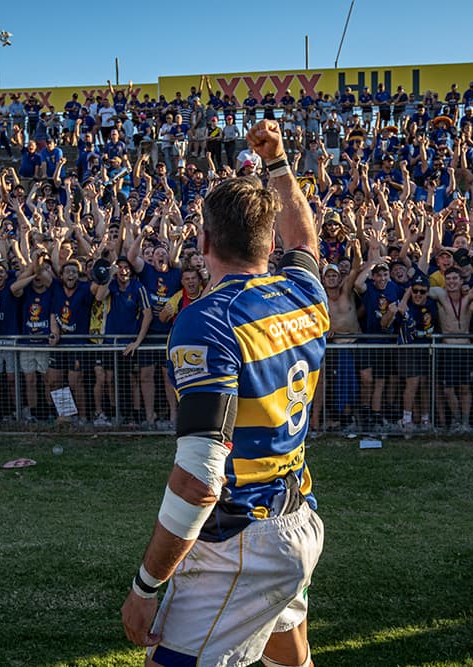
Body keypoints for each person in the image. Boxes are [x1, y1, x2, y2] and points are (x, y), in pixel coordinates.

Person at [121, 119, 326, 667]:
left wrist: (144, 587)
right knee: (289, 653)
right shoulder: (305, 291)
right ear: (269, 242)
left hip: (242, 537)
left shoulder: (207, 319)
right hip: (298, 516)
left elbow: (197, 478)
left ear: (205, 241)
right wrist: (279, 163)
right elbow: (304, 239)